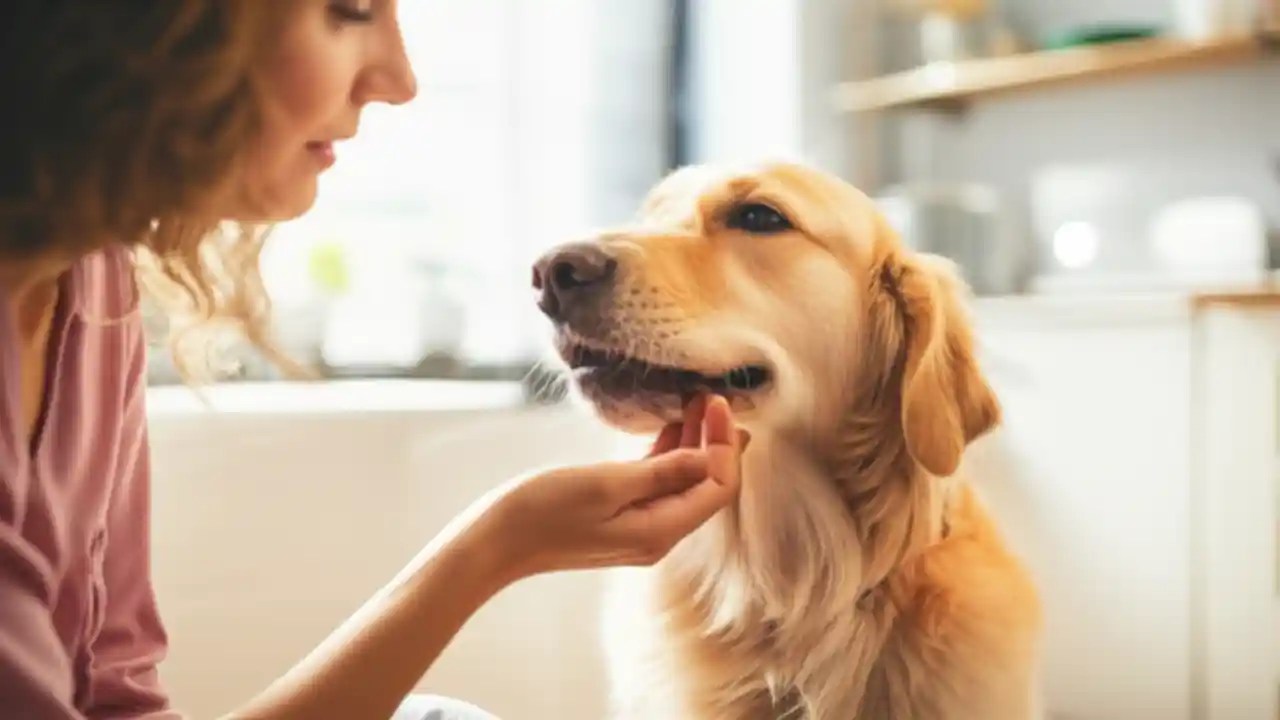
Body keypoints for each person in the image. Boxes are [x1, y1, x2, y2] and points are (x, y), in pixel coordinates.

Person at [0, 2, 747, 719]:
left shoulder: (90, 278)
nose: (399, 79)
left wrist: (501, 540)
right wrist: (497, 547)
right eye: (349, 9)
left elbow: (114, 702)